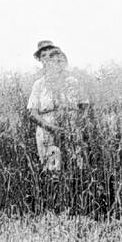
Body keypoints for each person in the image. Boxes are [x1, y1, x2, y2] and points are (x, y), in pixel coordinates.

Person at [26, 40, 90, 173]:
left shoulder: (72, 81)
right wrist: (51, 128)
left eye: (51, 55)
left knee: (77, 166)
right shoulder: (39, 84)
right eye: (43, 56)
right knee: (52, 168)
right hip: (47, 129)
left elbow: (84, 106)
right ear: (40, 60)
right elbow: (33, 113)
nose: (48, 59)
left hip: (71, 128)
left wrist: (77, 124)